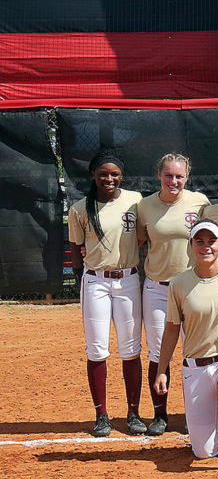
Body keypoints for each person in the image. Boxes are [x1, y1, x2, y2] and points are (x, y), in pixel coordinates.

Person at [152, 220, 218, 475]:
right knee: (204, 452)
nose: (206, 246)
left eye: (212, 241)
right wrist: (162, 369)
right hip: (196, 365)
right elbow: (173, 328)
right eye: (200, 241)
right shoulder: (179, 283)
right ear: (191, 245)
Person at [69, 150, 145, 437]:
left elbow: (143, 234)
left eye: (114, 174)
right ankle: (101, 414)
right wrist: (83, 280)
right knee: (97, 348)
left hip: (127, 279)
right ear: (93, 176)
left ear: (121, 175)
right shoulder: (79, 208)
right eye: (102, 174)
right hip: (96, 281)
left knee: (130, 349)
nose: (108, 178)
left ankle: (133, 412)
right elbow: (77, 250)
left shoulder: (135, 200)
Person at [137, 153, 210, 436]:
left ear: (187, 178)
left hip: (191, 287)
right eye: (168, 175)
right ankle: (160, 414)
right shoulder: (144, 206)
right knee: (158, 352)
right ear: (159, 175)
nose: (174, 181)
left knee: (195, 351)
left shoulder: (200, 202)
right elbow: (138, 240)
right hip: (157, 288)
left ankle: (197, 413)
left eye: (179, 176)